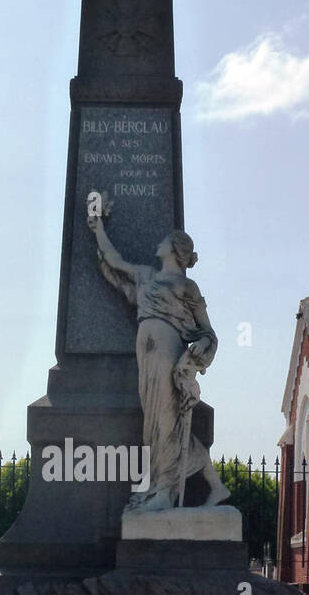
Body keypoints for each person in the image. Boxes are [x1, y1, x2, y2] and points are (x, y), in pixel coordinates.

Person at [87, 208, 230, 511]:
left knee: (165, 420)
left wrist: (193, 359)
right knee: (157, 423)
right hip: (148, 355)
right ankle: (214, 486)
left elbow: (208, 333)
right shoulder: (146, 275)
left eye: (164, 241)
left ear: (175, 250)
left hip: (168, 352)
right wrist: (98, 227)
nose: (158, 244)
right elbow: (114, 261)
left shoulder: (186, 287)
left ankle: (164, 492)